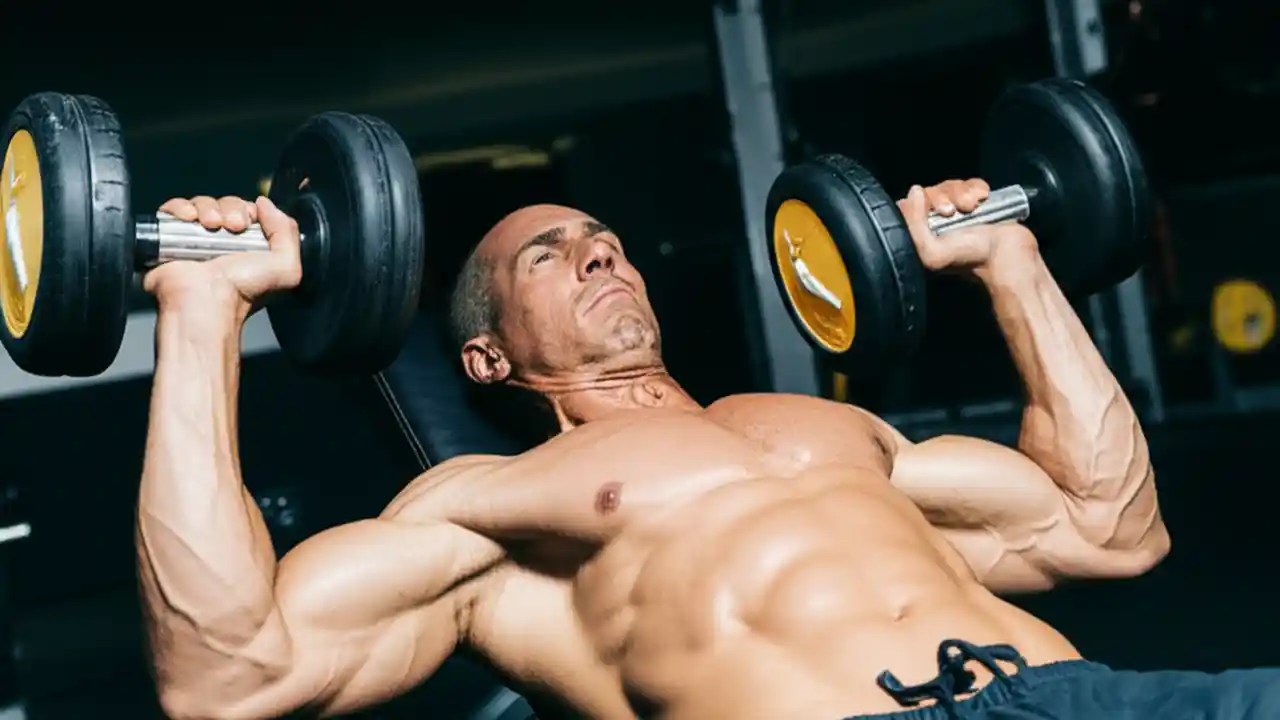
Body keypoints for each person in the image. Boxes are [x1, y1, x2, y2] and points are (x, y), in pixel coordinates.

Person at [134, 181, 1269, 720]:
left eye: (607, 239)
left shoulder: (824, 430)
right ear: (484, 359)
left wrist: (1008, 260)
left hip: (1086, 702)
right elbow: (228, 671)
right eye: (549, 257)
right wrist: (201, 311)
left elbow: (1110, 527)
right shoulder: (489, 507)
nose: (598, 257)